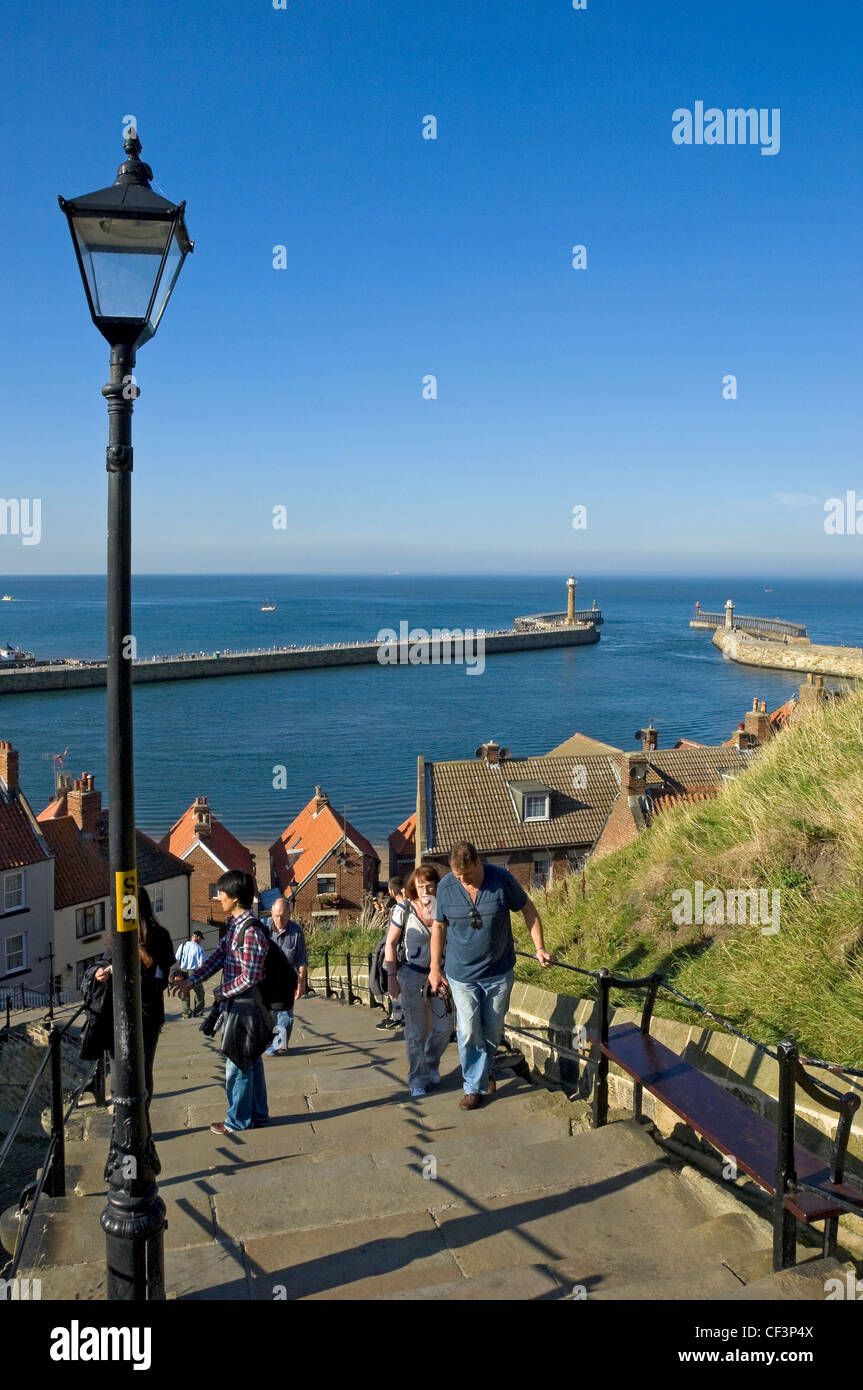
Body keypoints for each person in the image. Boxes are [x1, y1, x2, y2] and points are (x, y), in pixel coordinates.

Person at [429, 841, 551, 1111]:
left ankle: (485, 1069)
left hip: (498, 972)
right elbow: (439, 927)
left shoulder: (501, 880)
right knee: (469, 1029)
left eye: (468, 875)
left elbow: (528, 909)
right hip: (461, 974)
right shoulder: (447, 887)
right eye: (458, 876)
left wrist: (539, 947)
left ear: (478, 863)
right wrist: (434, 968)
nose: (463, 881)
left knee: (493, 1029)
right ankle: (473, 1087)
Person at [172, 869, 271, 1135]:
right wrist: (193, 981)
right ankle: (258, 1115)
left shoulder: (250, 932)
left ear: (235, 898)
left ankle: (237, 1120)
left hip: (246, 1006)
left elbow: (250, 976)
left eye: (222, 893)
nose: (218, 898)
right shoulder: (235, 928)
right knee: (251, 1060)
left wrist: (222, 991)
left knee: (237, 1063)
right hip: (239, 1004)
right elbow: (217, 958)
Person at [94, 885, 176, 1106]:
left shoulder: (157, 936)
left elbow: (159, 982)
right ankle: (137, 1123)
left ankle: (131, 1125)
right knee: (140, 1070)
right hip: (135, 1014)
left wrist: (126, 977)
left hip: (140, 1014)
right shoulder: (119, 935)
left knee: (127, 1070)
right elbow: (105, 961)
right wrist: (100, 971)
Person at [385, 863, 451, 1099]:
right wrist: (392, 978)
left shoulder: (443, 908)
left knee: (444, 1027)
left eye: (430, 886)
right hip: (411, 974)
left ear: (436, 886)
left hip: (439, 974)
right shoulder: (403, 909)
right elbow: (390, 944)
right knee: (416, 1031)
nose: (425, 891)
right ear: (413, 887)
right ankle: (417, 1078)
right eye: (421, 886)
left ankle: (431, 1063)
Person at [264, 897, 307, 1055]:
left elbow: (301, 959)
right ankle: (271, 1044)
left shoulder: (296, 932)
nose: (279, 919)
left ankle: (279, 1044)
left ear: (290, 913)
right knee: (269, 1014)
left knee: (285, 1014)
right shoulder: (264, 928)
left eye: (283, 915)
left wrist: (301, 983)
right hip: (267, 979)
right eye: (276, 915)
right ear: (271, 913)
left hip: (287, 980)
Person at [375, 877, 406, 1031]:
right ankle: (398, 1014)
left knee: (393, 987)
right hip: (405, 952)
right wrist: (385, 912)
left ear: (392, 891)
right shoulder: (405, 907)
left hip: (397, 952)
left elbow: (392, 936)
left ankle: (397, 1016)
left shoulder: (399, 909)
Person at [175, 930, 205, 1017]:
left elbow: (177, 958)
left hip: (182, 971)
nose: (201, 941)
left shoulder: (182, 945)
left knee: (184, 991)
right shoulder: (199, 948)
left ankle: (186, 1012)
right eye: (201, 939)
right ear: (198, 937)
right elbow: (201, 964)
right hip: (193, 972)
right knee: (199, 992)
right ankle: (198, 1012)